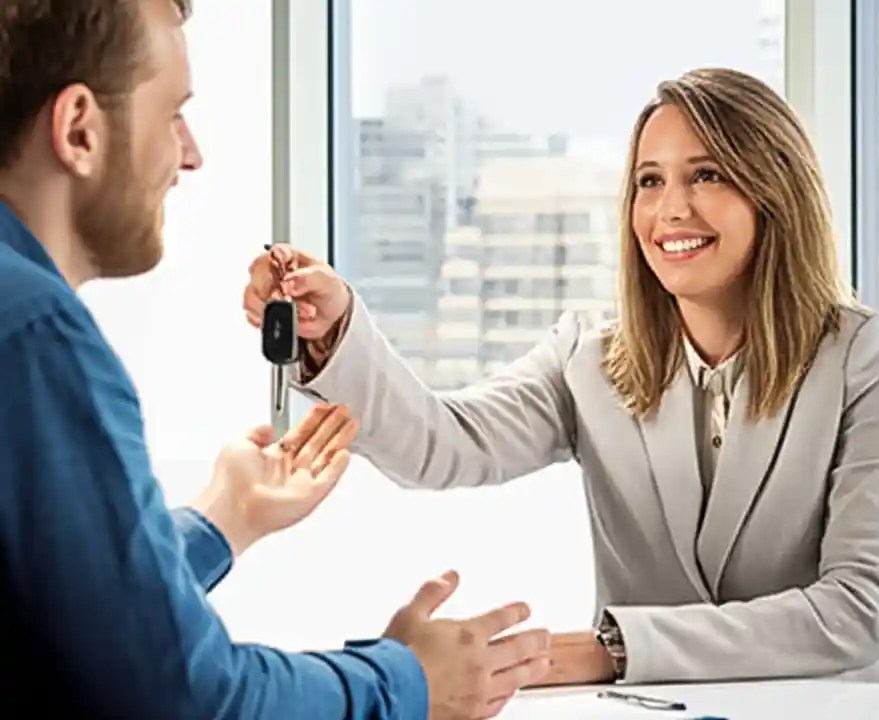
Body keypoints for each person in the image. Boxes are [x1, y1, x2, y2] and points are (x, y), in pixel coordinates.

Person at [245, 67, 879, 686]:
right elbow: (440, 444)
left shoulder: (860, 358)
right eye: (650, 181)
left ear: (775, 190)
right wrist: (334, 329)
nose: (671, 209)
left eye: (708, 175)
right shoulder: (589, 359)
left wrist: (612, 650)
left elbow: (856, 609)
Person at [0, 1, 549, 718]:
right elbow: (184, 696)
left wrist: (228, 514)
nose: (191, 154)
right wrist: (409, 681)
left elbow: (84, 616)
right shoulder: (36, 337)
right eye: (173, 115)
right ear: (80, 130)